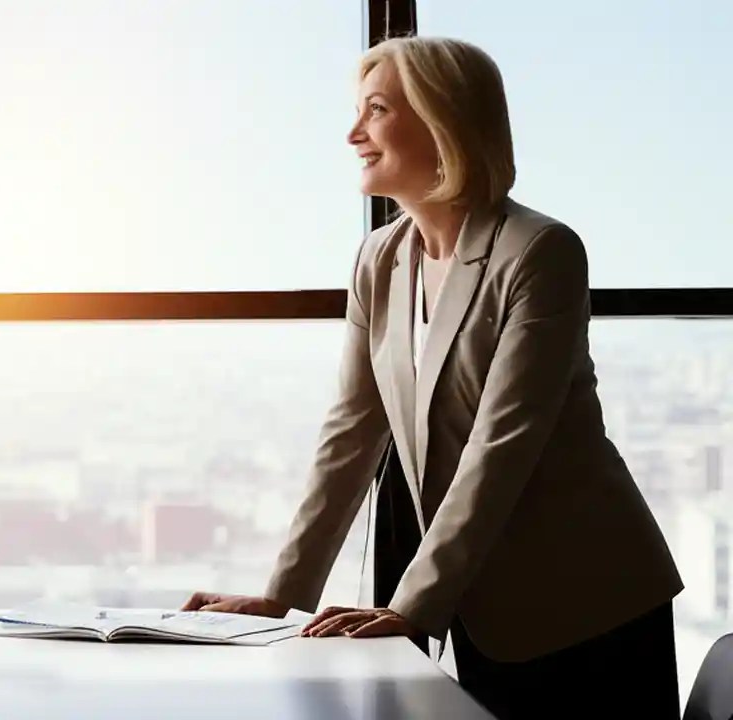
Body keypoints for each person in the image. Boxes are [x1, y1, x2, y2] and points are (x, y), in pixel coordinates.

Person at [182, 36, 684, 719]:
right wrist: (282, 598)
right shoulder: (379, 260)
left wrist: (410, 610)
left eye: (377, 110)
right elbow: (348, 437)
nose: (353, 134)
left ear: (442, 120)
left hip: (588, 601)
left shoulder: (540, 252)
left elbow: (501, 449)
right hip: (482, 603)